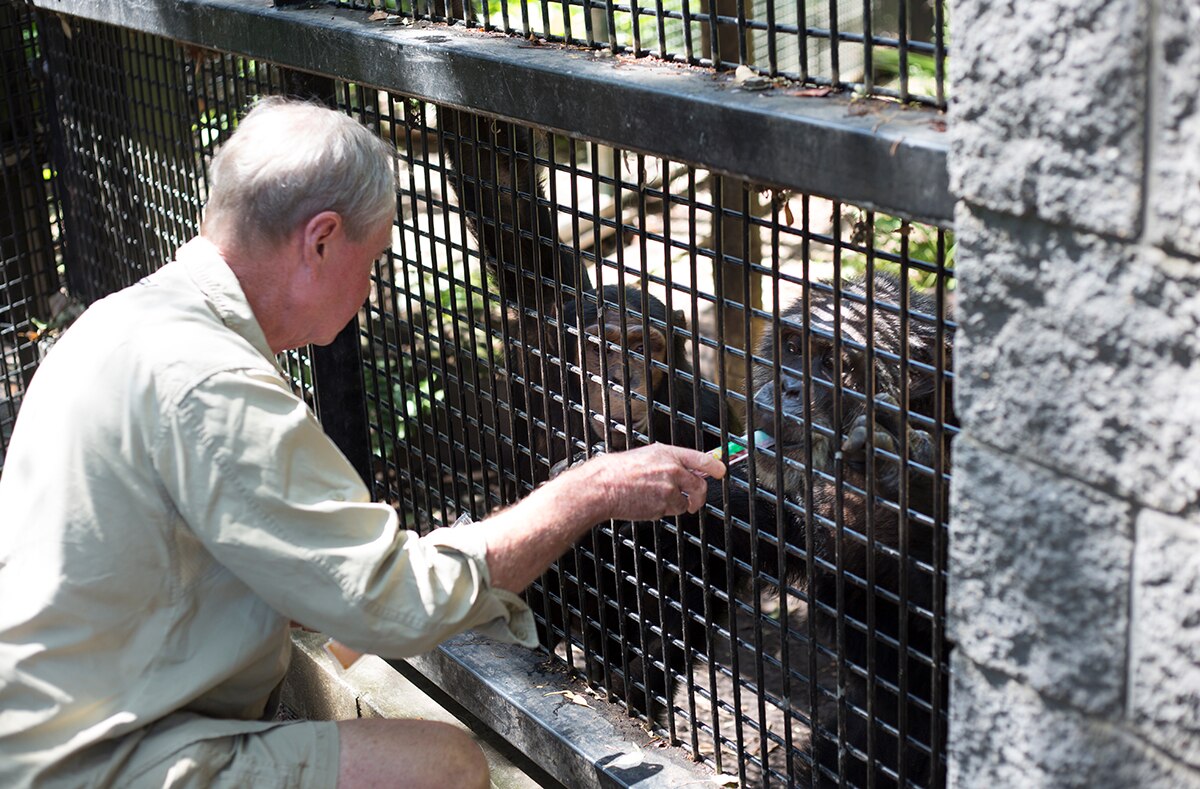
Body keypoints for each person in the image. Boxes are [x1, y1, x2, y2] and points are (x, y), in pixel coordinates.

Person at [0, 96, 724, 789]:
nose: (373, 290)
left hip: (57, 725)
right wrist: (590, 489)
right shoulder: (211, 380)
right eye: (373, 260)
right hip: (95, 762)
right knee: (444, 766)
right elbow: (390, 605)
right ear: (320, 240)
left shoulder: (123, 320)